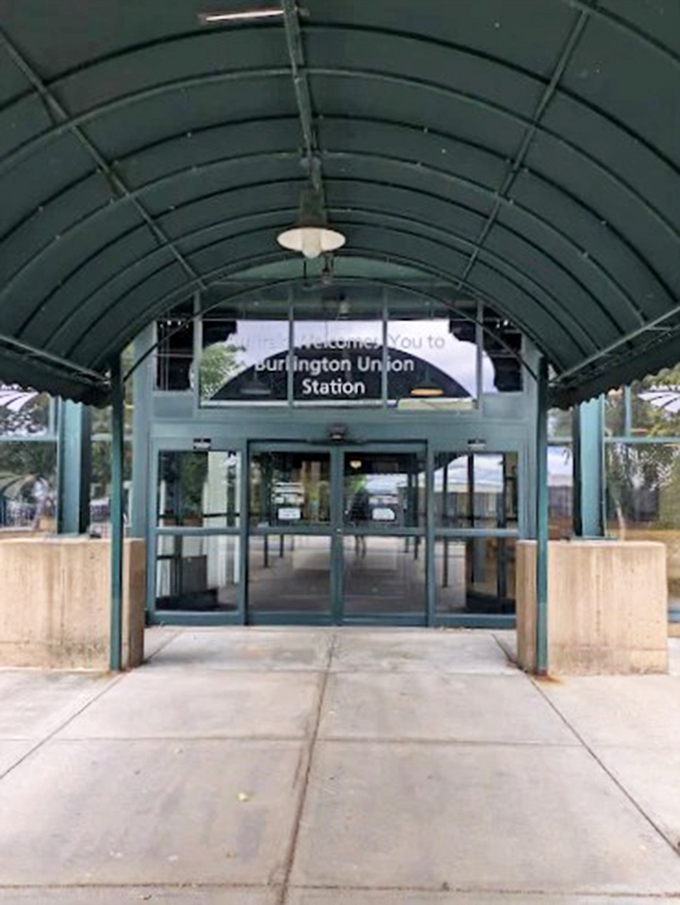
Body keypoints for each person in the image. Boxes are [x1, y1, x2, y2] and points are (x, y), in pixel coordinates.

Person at [349, 486, 370, 557]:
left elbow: (352, 508)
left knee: (357, 535)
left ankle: (358, 546)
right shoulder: (364, 500)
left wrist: (351, 517)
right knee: (362, 535)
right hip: (362, 517)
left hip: (357, 517)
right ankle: (362, 547)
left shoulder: (355, 500)